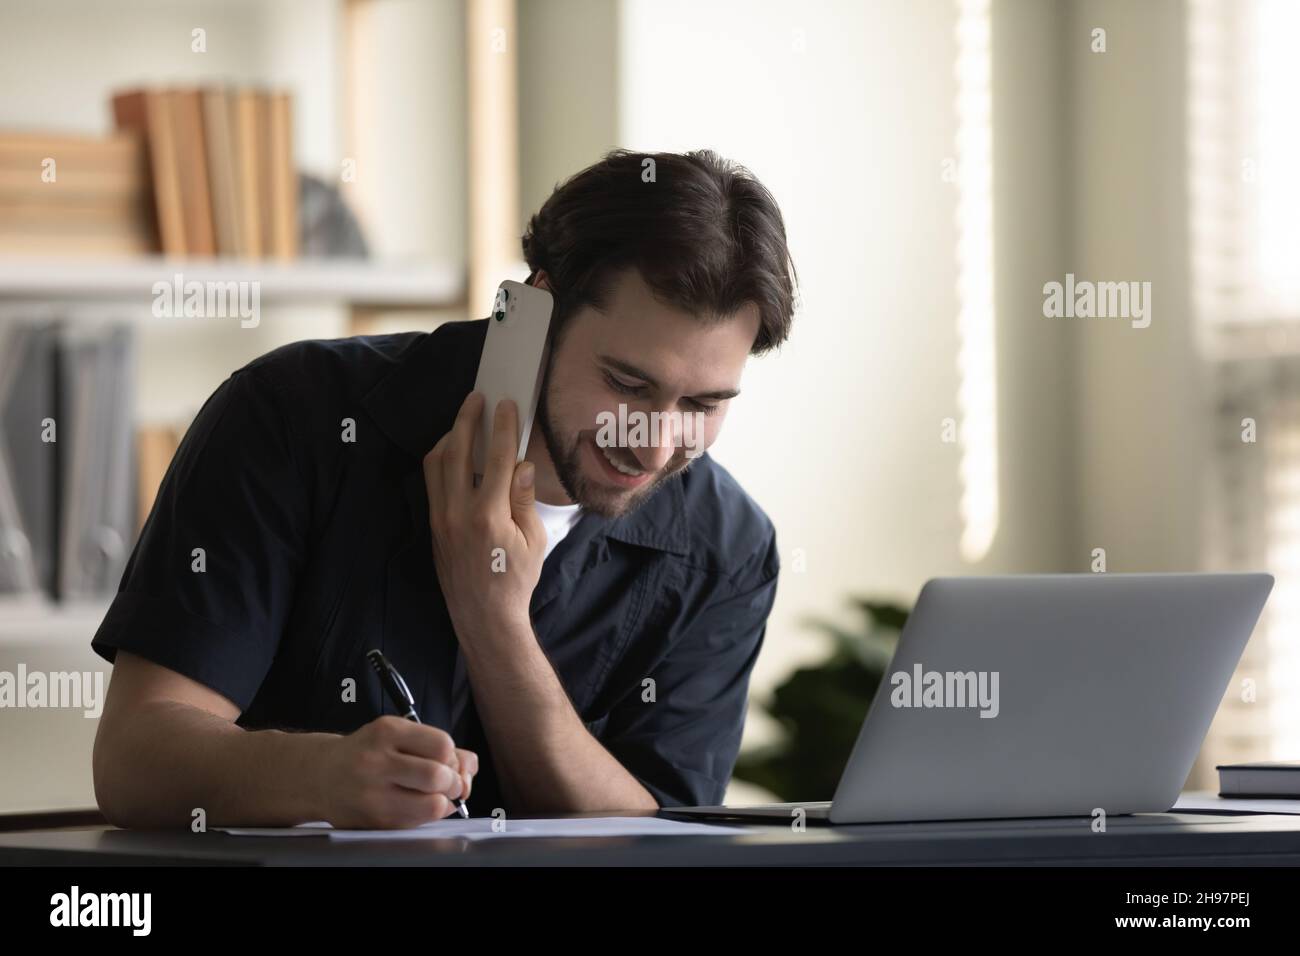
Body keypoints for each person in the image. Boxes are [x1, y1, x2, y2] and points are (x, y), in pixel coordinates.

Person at [91, 148, 798, 828]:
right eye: (628, 385)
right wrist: (322, 776)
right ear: (536, 308)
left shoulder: (725, 547)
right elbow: (134, 761)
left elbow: (659, 836)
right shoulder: (291, 416)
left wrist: (496, 623)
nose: (654, 442)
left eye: (702, 406)